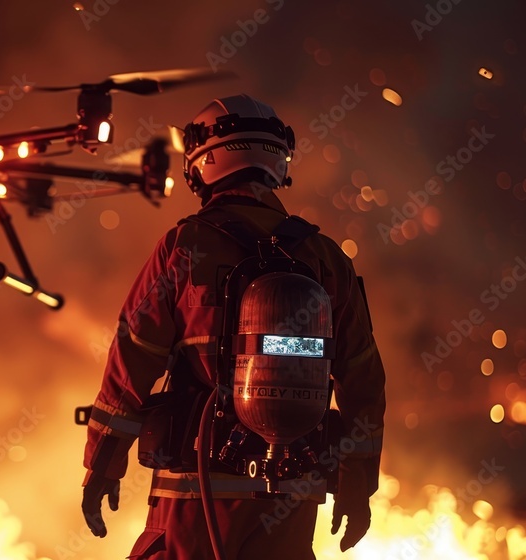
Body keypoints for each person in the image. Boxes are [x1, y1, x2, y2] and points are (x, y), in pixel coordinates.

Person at [80, 94, 386, 559]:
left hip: (196, 485)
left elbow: (133, 357)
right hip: (293, 489)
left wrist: (102, 462)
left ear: (202, 162)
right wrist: (357, 483)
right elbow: (363, 378)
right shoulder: (325, 257)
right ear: (278, 160)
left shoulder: (186, 247)